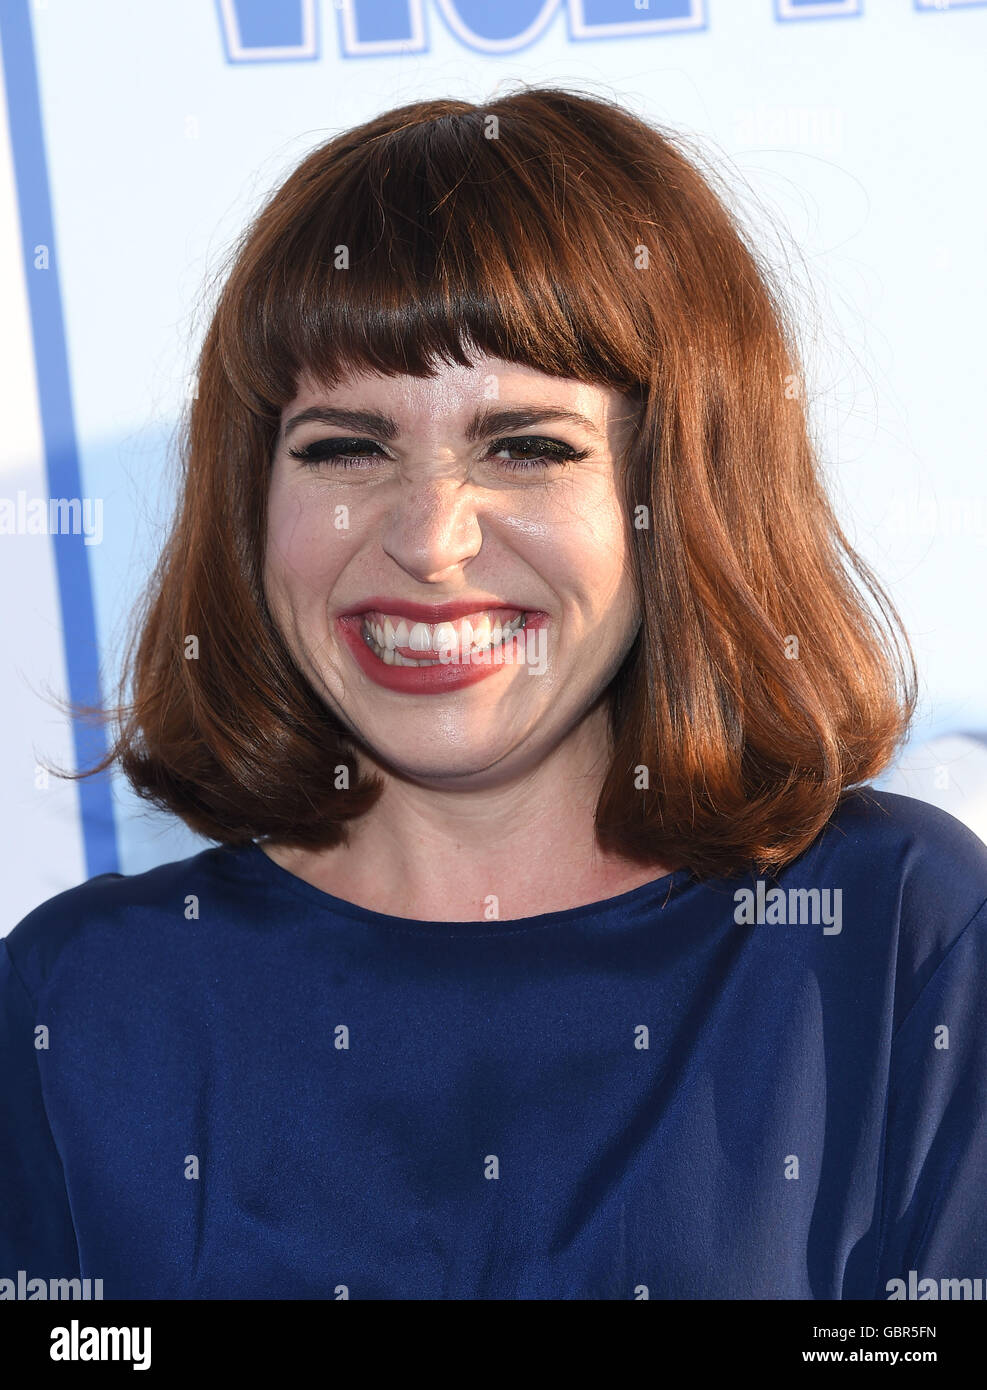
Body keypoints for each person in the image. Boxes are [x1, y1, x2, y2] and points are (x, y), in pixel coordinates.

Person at [2, 86, 985, 1302]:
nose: (430, 539)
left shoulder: (895, 939)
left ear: (679, 488)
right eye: (345, 447)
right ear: (251, 501)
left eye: (527, 446)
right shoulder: (80, 1003)